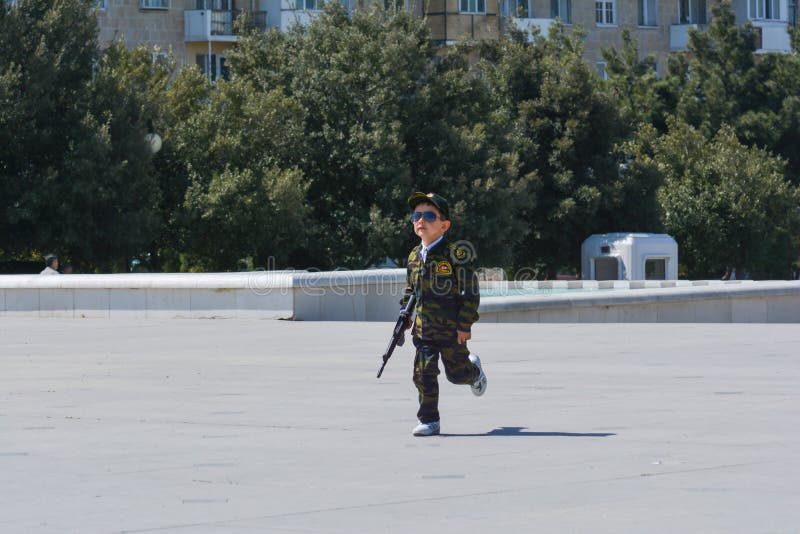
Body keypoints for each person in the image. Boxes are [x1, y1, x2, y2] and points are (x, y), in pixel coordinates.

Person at [401, 192, 487, 437]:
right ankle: (429, 420)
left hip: (451, 329)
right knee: (423, 373)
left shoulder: (455, 255)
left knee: (457, 375)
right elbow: (411, 290)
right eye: (416, 215)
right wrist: (405, 313)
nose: (421, 220)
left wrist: (465, 324)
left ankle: (474, 372)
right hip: (424, 330)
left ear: (444, 225)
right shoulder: (414, 256)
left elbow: (470, 292)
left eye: (429, 216)